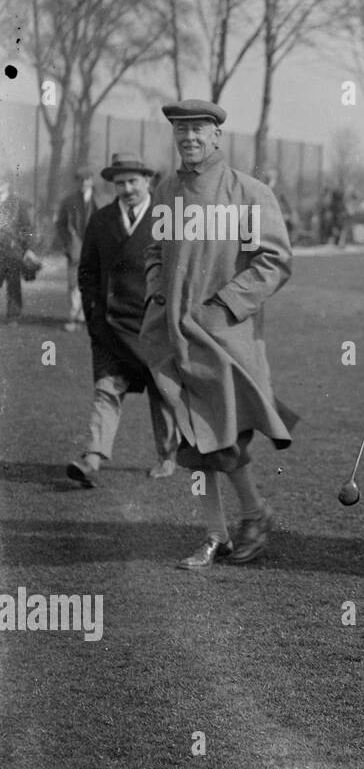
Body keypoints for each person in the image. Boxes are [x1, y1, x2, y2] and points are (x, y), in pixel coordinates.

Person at [138, 99, 297, 571]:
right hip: (173, 337)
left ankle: (254, 513)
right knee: (194, 440)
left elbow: (276, 261)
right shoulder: (166, 190)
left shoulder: (249, 193)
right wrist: (156, 292)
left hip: (224, 336)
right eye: (181, 130)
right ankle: (215, 534)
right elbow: (154, 250)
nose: (189, 138)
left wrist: (225, 305)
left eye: (198, 130)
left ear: (217, 137)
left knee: (222, 436)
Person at [67, 153, 178, 487]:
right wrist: (93, 316)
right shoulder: (101, 221)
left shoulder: (165, 221)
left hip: (153, 324)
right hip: (110, 326)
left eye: (133, 181)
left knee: (163, 394)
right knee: (106, 390)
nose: (127, 189)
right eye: (120, 183)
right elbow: (86, 272)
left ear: (147, 182)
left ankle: (168, 456)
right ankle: (92, 458)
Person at [55, 166, 97, 331]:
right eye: (80, 180)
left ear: (92, 180)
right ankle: (73, 318)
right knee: (73, 283)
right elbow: (60, 224)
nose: (83, 183)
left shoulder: (101, 200)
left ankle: (86, 317)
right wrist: (67, 241)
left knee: (93, 282)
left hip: (95, 248)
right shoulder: (68, 201)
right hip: (75, 247)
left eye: (86, 179)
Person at [0, 177, 37, 326]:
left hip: (12, 250)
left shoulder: (18, 203)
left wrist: (28, 248)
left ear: (7, 184)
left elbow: (27, 227)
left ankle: (13, 316)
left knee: (13, 284)